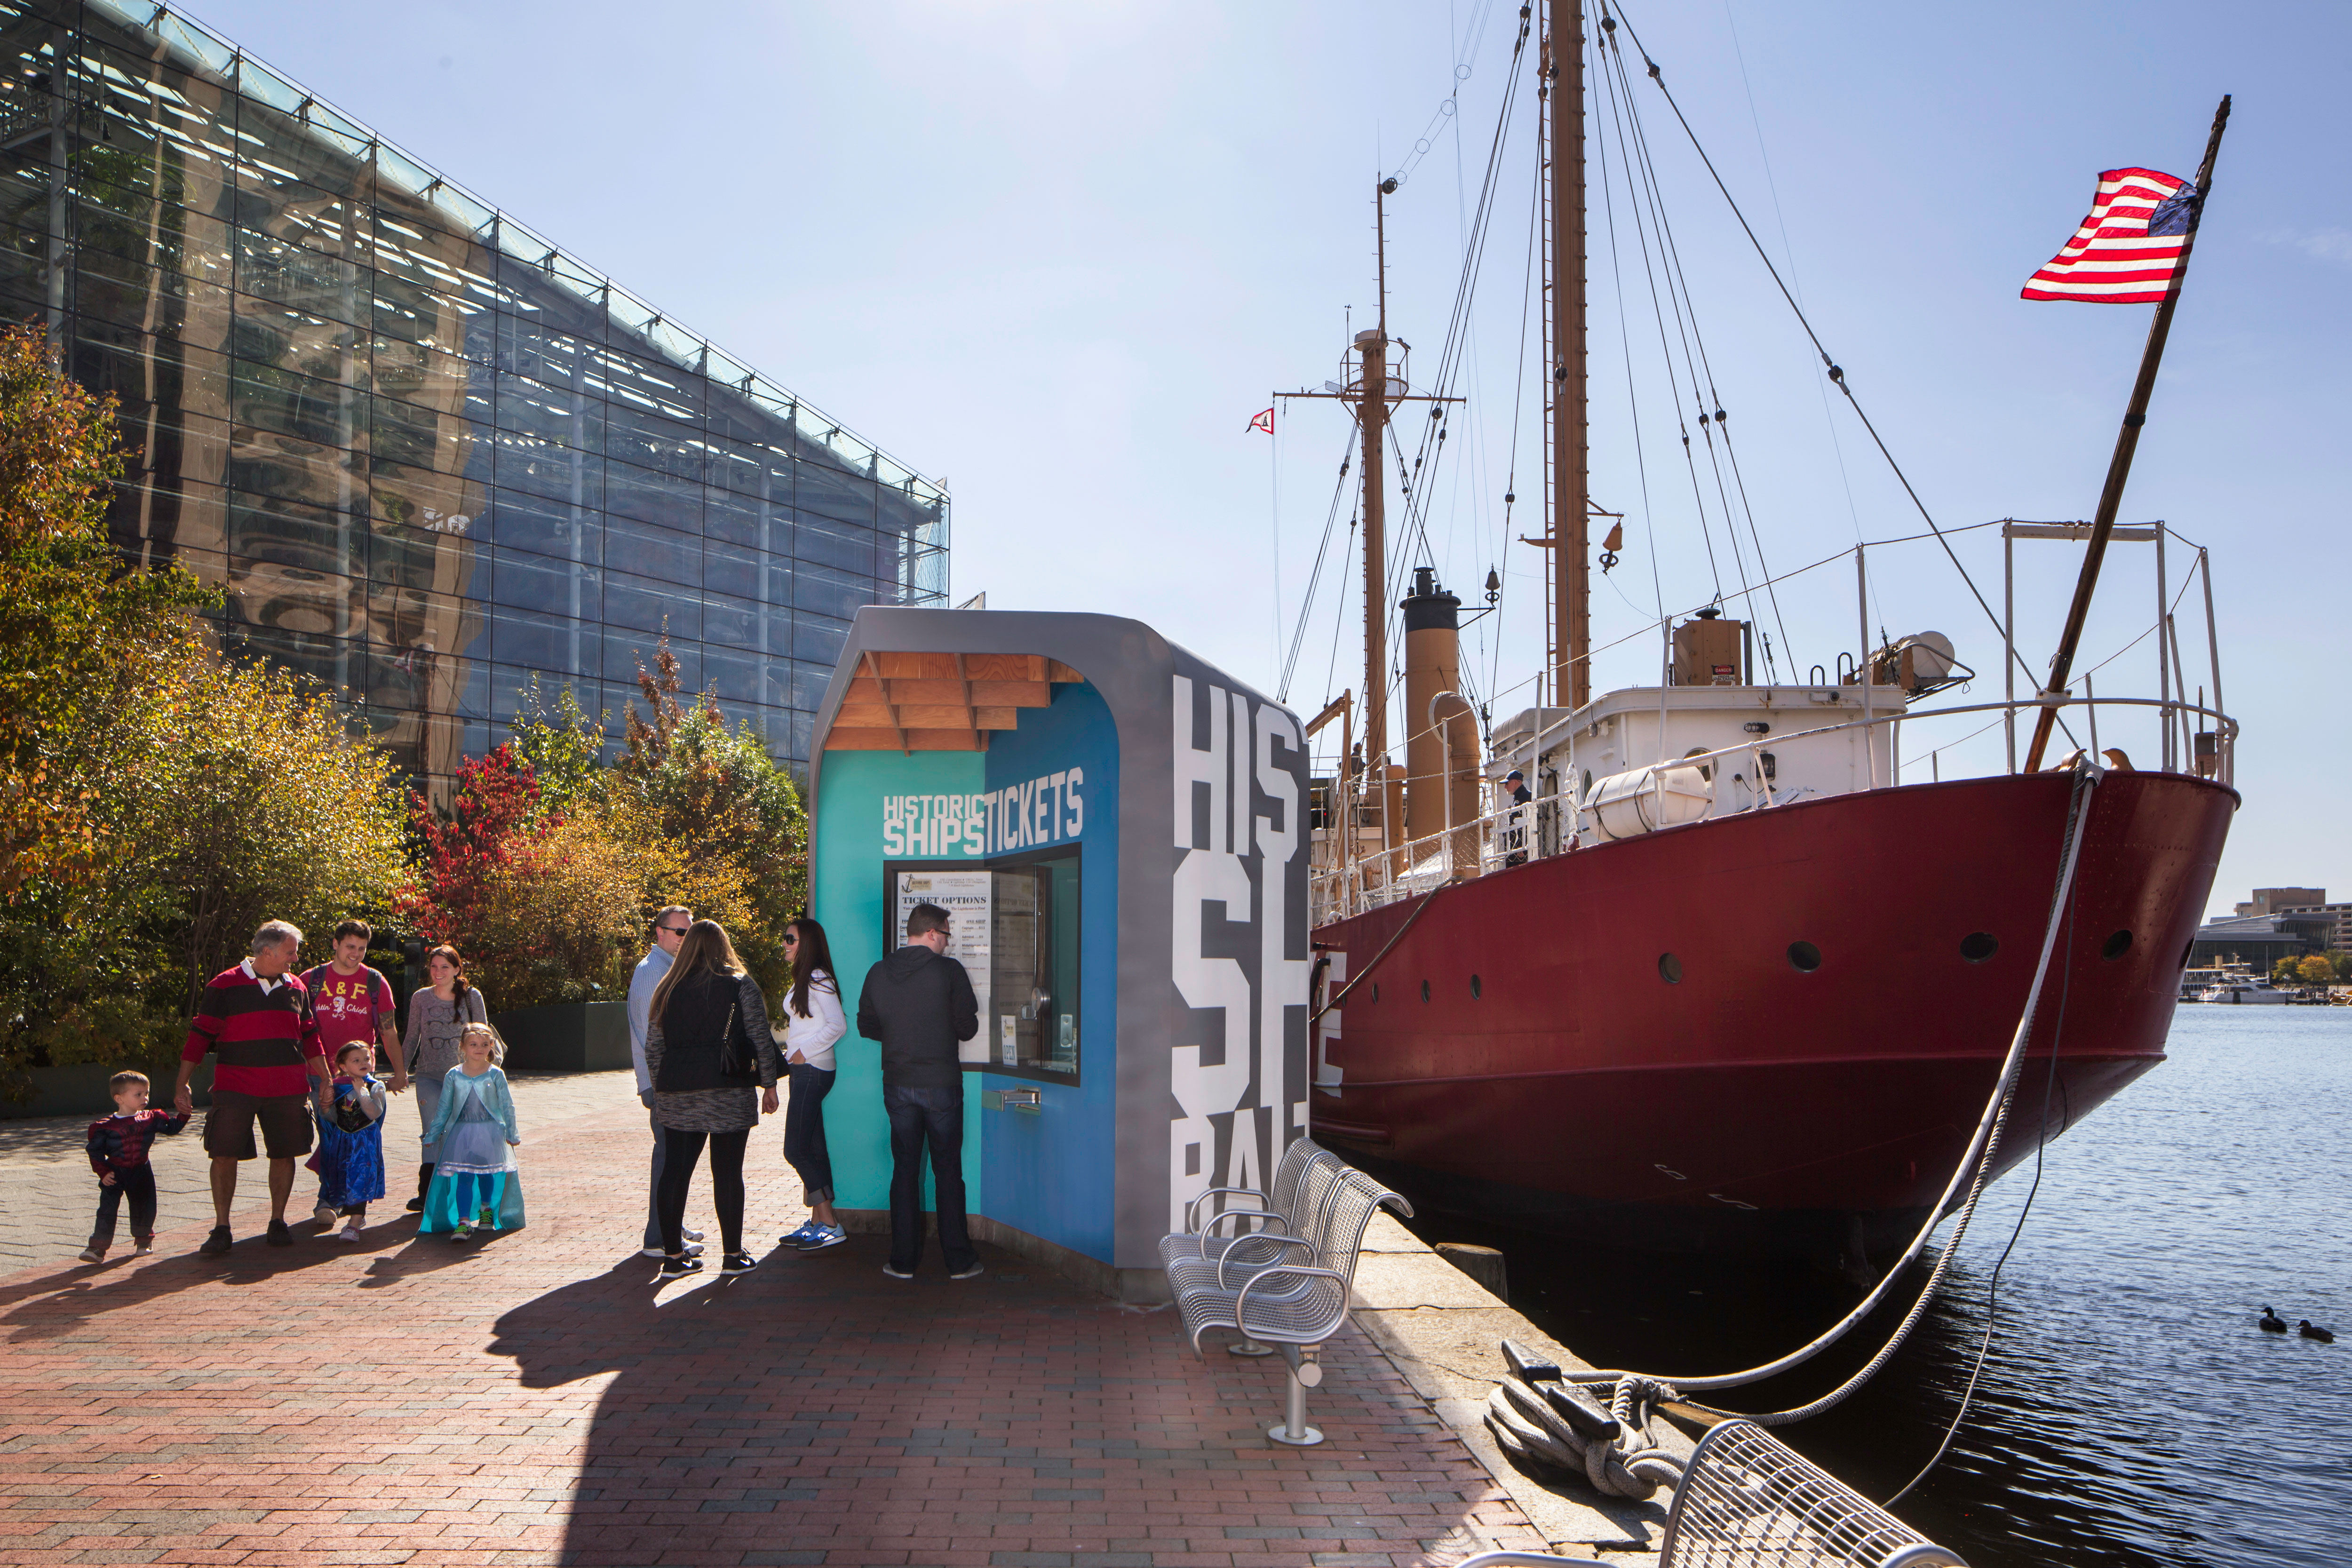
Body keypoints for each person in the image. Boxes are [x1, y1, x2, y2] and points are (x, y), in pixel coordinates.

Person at [175, 920, 332, 1257]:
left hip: (288, 1087)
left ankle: (278, 1221)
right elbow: (200, 1035)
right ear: (267, 951)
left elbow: (310, 1036)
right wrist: (182, 1083)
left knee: (285, 1151)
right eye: (290, 952)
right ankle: (221, 1226)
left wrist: (327, 1079)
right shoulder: (224, 985)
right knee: (223, 1152)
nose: (295, 959)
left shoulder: (297, 988)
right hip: (236, 1086)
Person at [644, 919, 780, 1278]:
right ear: (724, 946)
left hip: (678, 1091)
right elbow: (760, 1038)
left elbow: (654, 1048)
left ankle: (673, 1258)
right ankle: (733, 1256)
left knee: (675, 1173)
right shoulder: (740, 985)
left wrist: (662, 1089)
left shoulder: (667, 987)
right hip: (728, 1089)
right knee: (728, 1173)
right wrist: (770, 1084)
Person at [856, 901, 982, 1281]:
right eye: (946, 934)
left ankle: (903, 1261)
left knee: (905, 1171)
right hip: (942, 1084)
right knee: (947, 1173)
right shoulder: (949, 971)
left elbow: (866, 1025)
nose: (948, 941)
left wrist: (899, 1037)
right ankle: (958, 1261)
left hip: (897, 1083)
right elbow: (968, 1028)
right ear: (931, 933)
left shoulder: (879, 972)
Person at [300, 919, 404, 1228]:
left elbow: (388, 1029)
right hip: (319, 1074)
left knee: (355, 1135)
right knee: (331, 1136)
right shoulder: (311, 979)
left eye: (361, 948)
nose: (355, 953)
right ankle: (332, 1198)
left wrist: (400, 1070)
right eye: (350, 947)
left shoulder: (375, 981)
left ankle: (342, 1200)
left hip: (359, 1079)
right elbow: (296, 1029)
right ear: (335, 944)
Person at [628, 907, 702, 1259]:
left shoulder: (671, 968)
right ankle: (659, 1238)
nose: (686, 939)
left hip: (673, 1081)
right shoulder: (650, 973)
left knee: (677, 1159)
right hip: (664, 1084)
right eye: (680, 932)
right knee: (670, 1159)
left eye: (690, 932)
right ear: (659, 932)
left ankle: (670, 1224)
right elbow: (651, 1038)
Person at [774, 917, 848, 1251]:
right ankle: (820, 1222)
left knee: (796, 1149)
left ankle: (829, 1222)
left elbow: (838, 1025)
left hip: (813, 1070)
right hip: (809, 1071)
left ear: (807, 942)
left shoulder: (818, 978)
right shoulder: (809, 978)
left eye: (790, 938)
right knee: (814, 1148)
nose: (785, 943)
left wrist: (805, 1051)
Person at [401, 944, 487, 1213]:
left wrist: (488, 1076)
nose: (438, 972)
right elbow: (412, 1036)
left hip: (465, 1077)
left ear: (457, 970)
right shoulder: (421, 998)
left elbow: (484, 1036)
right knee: (432, 1131)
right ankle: (427, 1193)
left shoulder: (471, 997)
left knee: (463, 1131)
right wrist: (400, 1070)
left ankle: (464, 1193)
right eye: (434, 966)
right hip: (429, 1075)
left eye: (445, 967)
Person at [418, 1022, 523, 1241]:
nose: (479, 1048)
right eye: (473, 1044)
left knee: (486, 1173)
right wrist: (433, 1134)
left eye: (485, 1044)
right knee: (465, 1175)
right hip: (462, 1133)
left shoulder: (496, 1075)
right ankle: (464, 1221)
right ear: (463, 1047)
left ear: (491, 1046)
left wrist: (512, 1133)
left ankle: (486, 1211)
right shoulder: (454, 1075)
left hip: (490, 1133)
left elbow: (507, 1106)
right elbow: (444, 1108)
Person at [80, 1071, 189, 1262]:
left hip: (141, 1170)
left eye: (146, 1093)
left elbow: (171, 1128)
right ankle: (97, 1248)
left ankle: (144, 1241)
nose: (145, 1098)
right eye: (138, 1094)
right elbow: (95, 1152)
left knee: (145, 1206)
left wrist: (184, 1114)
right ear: (119, 1098)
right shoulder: (104, 1127)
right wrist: (103, 1172)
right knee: (107, 1209)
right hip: (114, 1172)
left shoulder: (151, 1118)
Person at [313, 1044, 389, 1240]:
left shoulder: (375, 1086)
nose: (364, 1063)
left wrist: (362, 1092)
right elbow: (331, 1118)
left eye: (367, 1059)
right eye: (356, 1061)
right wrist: (326, 1106)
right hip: (343, 1141)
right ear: (343, 1066)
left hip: (365, 1142)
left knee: (361, 1177)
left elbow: (374, 1113)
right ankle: (348, 1213)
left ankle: (355, 1222)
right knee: (344, 1177)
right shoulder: (337, 1087)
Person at [1499, 768, 1533, 866]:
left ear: (1516, 783)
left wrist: (1523, 844)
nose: (1505, 787)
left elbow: (1529, 822)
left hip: (1520, 850)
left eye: (1507, 784)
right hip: (1513, 848)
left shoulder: (1527, 796)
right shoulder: (1517, 799)